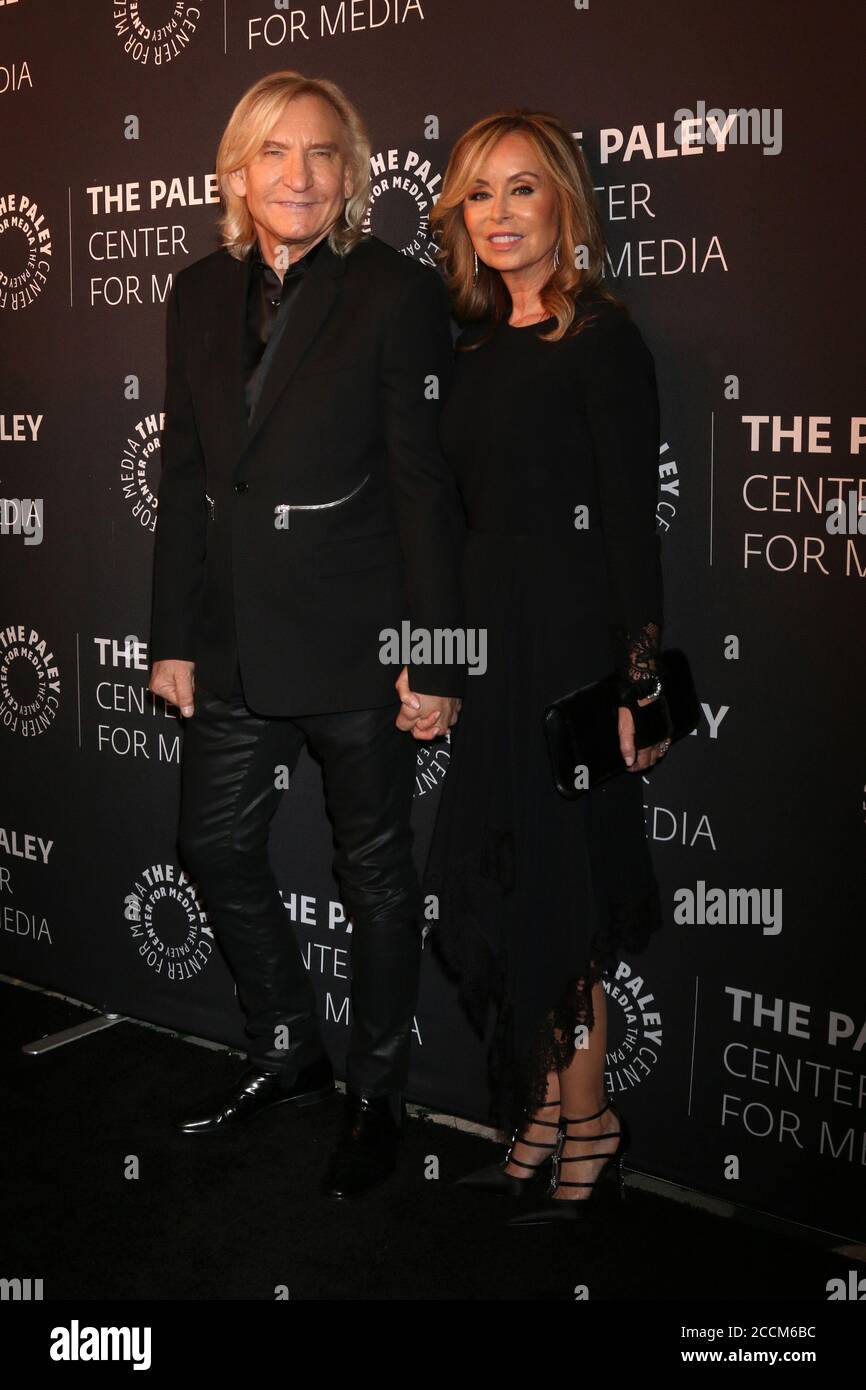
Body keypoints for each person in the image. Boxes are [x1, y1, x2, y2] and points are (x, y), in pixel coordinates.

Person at [147, 70, 464, 1200]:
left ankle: (376, 1092)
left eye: (322, 153)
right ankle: (289, 1042)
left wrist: (441, 655)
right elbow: (184, 477)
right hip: (231, 641)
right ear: (235, 172)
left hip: (361, 647)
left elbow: (430, 486)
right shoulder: (192, 293)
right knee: (215, 846)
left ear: (351, 174)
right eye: (274, 153)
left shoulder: (393, 292)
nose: (298, 174)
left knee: (375, 873)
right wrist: (172, 637)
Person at [420, 108, 670, 1225]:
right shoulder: (462, 347)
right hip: (489, 654)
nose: (501, 214)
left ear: (564, 203)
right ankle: (532, 1119)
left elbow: (629, 521)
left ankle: (589, 1130)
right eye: (479, 193)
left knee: (565, 908)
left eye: (523, 189)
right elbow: (441, 523)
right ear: (458, 217)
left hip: (572, 655)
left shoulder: (601, 337)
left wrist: (638, 682)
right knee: (502, 889)